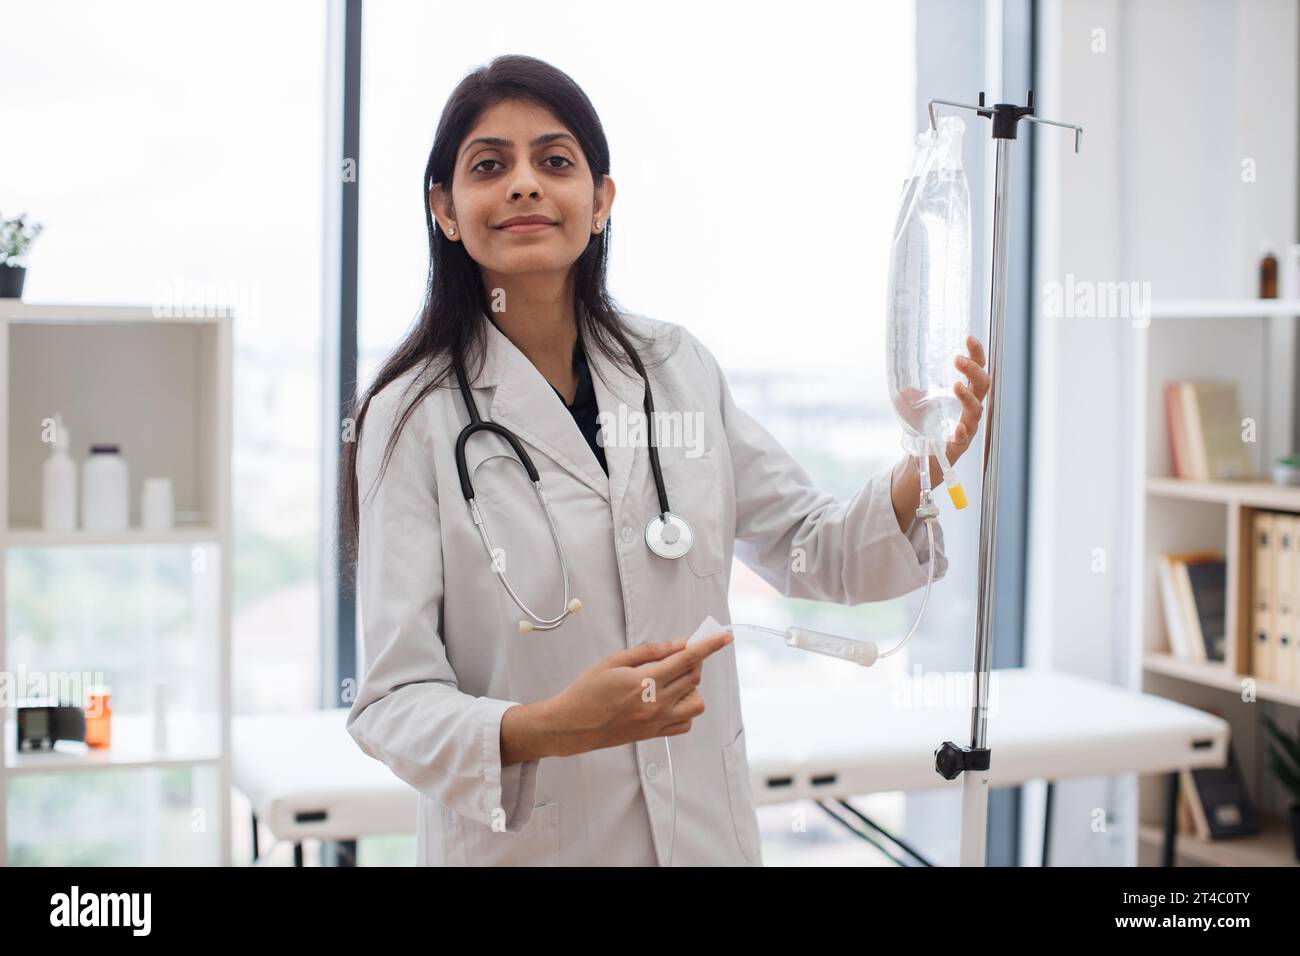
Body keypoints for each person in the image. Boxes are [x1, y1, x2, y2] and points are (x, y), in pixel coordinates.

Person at [339, 54, 989, 866]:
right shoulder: (409, 417)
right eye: (488, 166)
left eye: (555, 161)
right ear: (444, 208)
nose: (525, 186)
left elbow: (811, 548)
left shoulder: (674, 369)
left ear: (601, 199)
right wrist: (555, 724)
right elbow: (391, 702)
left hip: (702, 840)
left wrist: (924, 459)